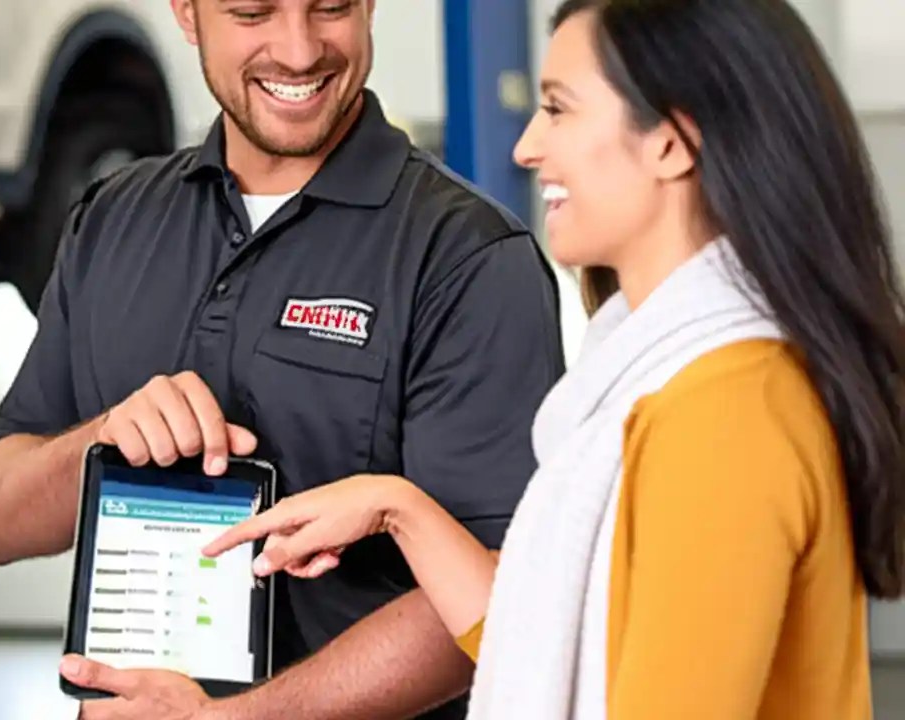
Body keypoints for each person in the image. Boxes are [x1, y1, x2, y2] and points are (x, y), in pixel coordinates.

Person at [188, 0, 905, 718]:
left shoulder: (721, 414)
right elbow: (540, 639)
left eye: (559, 110)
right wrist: (393, 506)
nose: (528, 147)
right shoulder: (674, 378)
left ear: (671, 141)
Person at [0, 0, 563, 718]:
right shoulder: (112, 221)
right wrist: (100, 443)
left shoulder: (466, 256)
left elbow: (496, 597)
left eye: (331, 8)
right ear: (187, 14)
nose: (298, 49)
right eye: (253, 13)